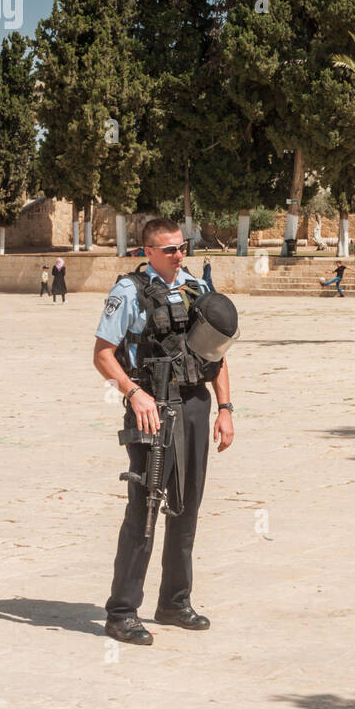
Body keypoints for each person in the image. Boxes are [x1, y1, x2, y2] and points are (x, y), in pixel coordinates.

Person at [93, 218, 236, 647]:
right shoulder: (129, 293)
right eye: (170, 249)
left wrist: (225, 409)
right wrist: (133, 393)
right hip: (151, 407)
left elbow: (218, 357)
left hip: (194, 404)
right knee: (146, 506)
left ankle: (174, 601)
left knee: (187, 504)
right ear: (148, 252)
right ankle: (121, 611)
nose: (179, 254)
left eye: (182, 247)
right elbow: (103, 354)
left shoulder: (197, 290)